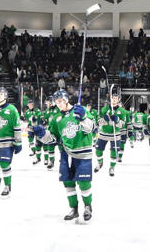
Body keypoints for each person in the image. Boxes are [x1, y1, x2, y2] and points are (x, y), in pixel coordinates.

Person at [32, 89, 95, 222]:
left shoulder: (81, 110)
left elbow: (92, 128)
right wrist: (42, 135)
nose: (58, 104)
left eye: (60, 101)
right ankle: (74, 209)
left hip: (83, 153)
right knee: (68, 182)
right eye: (56, 102)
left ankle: (88, 207)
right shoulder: (56, 119)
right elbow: (52, 138)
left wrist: (83, 118)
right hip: (66, 153)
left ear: (66, 99)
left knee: (84, 183)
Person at [94, 88, 128, 176]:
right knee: (98, 150)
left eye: (116, 98)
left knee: (114, 153)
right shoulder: (104, 109)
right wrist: (104, 120)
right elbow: (98, 122)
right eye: (113, 97)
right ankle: (100, 163)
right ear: (111, 99)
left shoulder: (122, 111)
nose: (114, 99)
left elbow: (123, 125)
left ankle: (112, 168)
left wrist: (116, 120)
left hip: (115, 135)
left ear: (118, 100)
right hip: (103, 133)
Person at [23, 100, 43, 164]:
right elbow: (26, 119)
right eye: (29, 104)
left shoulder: (37, 110)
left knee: (37, 142)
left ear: (33, 104)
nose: (30, 106)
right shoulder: (27, 112)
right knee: (30, 140)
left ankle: (38, 155)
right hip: (30, 127)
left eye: (31, 104)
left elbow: (40, 116)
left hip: (36, 127)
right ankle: (34, 151)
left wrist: (36, 118)